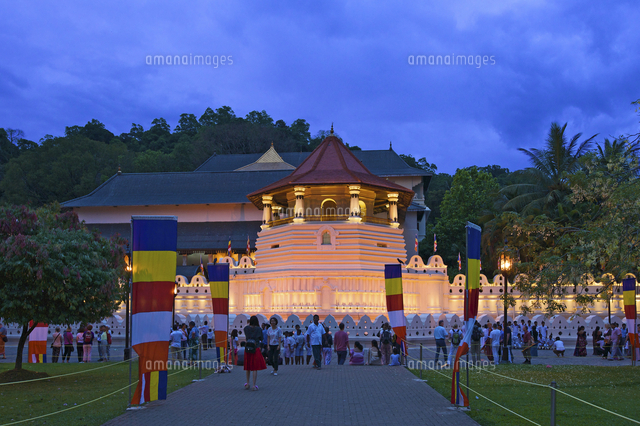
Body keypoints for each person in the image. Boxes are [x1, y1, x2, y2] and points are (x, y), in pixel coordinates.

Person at [243, 315, 267, 390]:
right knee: (254, 368)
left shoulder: (246, 328)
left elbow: (246, 334)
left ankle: (247, 383)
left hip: (248, 348)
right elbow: (261, 338)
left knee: (248, 367)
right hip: (255, 348)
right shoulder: (259, 329)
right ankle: (254, 385)